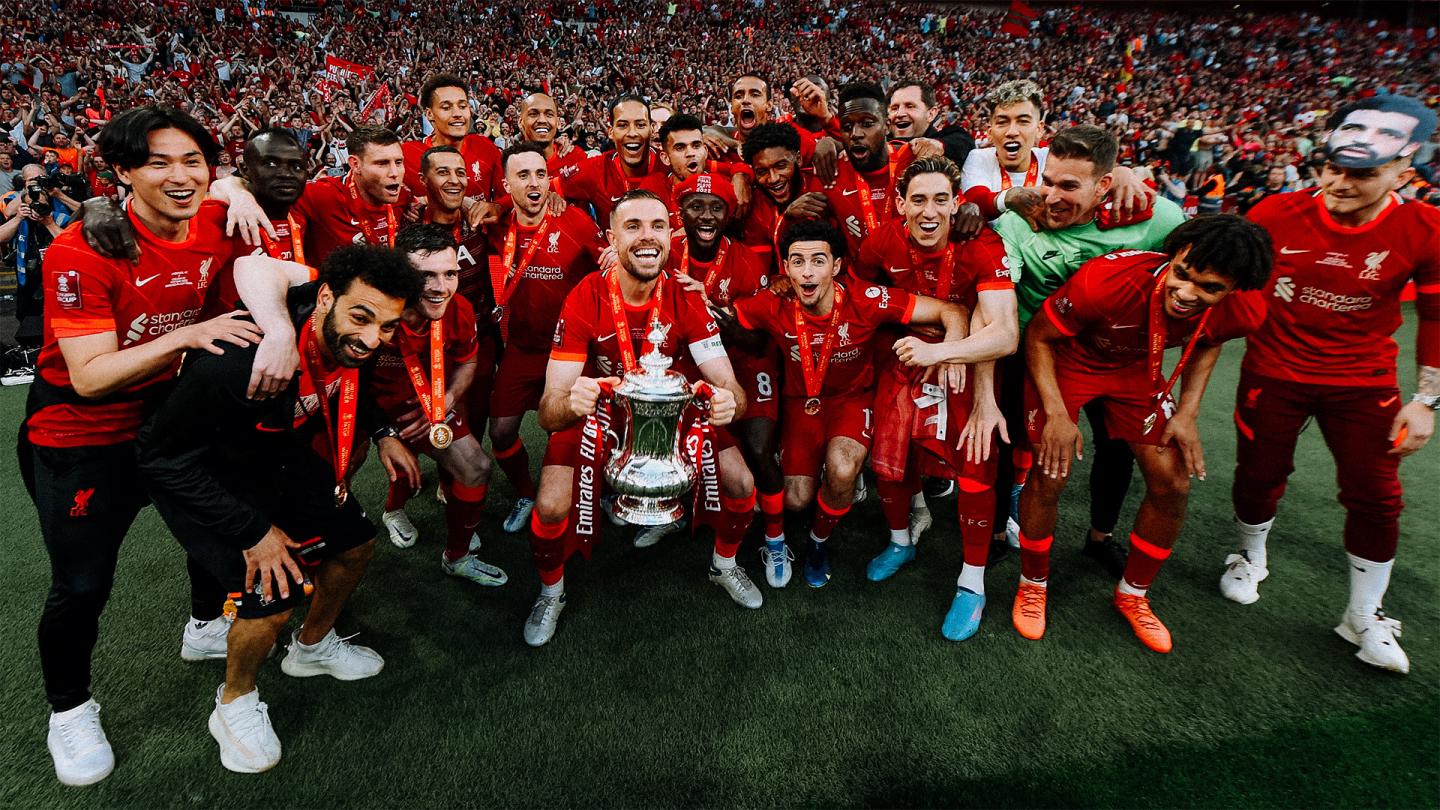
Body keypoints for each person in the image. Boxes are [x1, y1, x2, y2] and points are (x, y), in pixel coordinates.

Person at [18, 105, 292, 786]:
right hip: (80, 438)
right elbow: (89, 377)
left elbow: (280, 269)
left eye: (193, 161)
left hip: (170, 426)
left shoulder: (218, 215)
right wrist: (183, 337)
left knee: (221, 542)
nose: (180, 176)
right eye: (158, 162)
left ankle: (206, 628)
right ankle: (70, 709)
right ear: (121, 172)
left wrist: (231, 193)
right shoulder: (82, 247)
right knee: (81, 586)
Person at [136, 245, 423, 773]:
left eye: (386, 327)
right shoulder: (239, 362)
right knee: (273, 591)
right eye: (362, 318)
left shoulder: (349, 337)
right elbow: (161, 461)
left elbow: (351, 378)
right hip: (198, 476)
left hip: (274, 458)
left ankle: (311, 647)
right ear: (325, 298)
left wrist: (382, 431)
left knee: (356, 543)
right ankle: (234, 701)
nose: (371, 338)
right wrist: (252, 530)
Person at [1220, 98, 1439, 675]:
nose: (1340, 182)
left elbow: (1438, 318)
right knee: (1260, 474)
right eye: (1332, 167)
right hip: (1273, 370)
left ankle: (1364, 614)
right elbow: (1222, 267)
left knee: (1377, 495)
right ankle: (1249, 554)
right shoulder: (1277, 211)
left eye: (1361, 173)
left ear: (1403, 172)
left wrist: (1425, 400)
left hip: (1362, 381)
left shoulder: (1425, 228)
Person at [1015, 215, 1271, 652]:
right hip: (1069, 363)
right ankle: (1032, 584)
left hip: (1137, 372)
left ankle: (1133, 595)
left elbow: (1209, 341)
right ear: (1173, 258)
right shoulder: (1107, 280)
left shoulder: (1246, 308)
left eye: (1209, 289)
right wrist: (1056, 414)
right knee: (1051, 470)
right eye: (1182, 274)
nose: (1187, 292)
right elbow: (1039, 337)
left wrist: (1187, 413)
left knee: (1173, 482)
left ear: (1234, 289)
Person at [524, 190, 761, 646]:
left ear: (671, 236)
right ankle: (551, 591)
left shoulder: (684, 295)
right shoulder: (585, 295)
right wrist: (572, 401)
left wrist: (730, 401)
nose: (646, 237)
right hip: (602, 415)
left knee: (741, 483)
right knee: (551, 505)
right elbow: (548, 412)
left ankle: (724, 565)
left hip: (670, 415)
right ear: (612, 238)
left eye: (656, 226)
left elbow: (731, 388)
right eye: (632, 227)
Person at [719, 219, 969, 588]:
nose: (807, 272)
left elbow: (952, 311)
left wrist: (952, 352)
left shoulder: (867, 299)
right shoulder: (773, 302)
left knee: (842, 469)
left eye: (818, 261)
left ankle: (819, 543)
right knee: (796, 501)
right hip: (800, 406)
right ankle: (809, 499)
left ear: (836, 266)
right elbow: (723, 317)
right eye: (797, 262)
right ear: (785, 268)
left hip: (851, 403)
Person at [990, 125, 1186, 573]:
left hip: (1116, 354)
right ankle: (1000, 532)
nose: (1052, 196)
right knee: (1016, 444)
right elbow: (999, 284)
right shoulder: (1023, 219)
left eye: (1069, 186)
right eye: (1048, 180)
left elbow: (1194, 266)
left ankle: (1101, 538)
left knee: (1116, 448)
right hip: (1036, 347)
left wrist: (1133, 176)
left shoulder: (1157, 218)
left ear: (1103, 186)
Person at [851, 156, 1018, 640]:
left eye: (940, 199)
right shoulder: (881, 240)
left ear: (956, 202)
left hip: (967, 363)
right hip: (905, 356)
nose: (929, 212)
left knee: (976, 465)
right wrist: (926, 332)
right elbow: (865, 295)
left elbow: (1005, 333)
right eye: (918, 199)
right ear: (900, 203)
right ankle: (901, 540)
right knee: (893, 459)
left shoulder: (982, 244)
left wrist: (945, 349)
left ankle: (972, 582)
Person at [370, 225, 506, 586]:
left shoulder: (456, 308)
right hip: (366, 409)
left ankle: (457, 555)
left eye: (450, 274)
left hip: (426, 404)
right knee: (342, 472)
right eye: (425, 275)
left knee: (476, 467)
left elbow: (468, 361)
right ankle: (392, 510)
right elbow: (345, 379)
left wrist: (444, 401)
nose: (440, 287)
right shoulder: (369, 308)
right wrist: (384, 431)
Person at [485, 142, 603, 534]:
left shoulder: (574, 222)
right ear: (506, 185)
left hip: (567, 351)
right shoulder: (495, 222)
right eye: (523, 175)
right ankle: (524, 492)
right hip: (520, 349)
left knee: (571, 430)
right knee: (500, 432)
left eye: (540, 174)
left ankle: (591, 492)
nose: (534, 183)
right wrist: (495, 205)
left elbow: (607, 265)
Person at [663, 172, 777, 556]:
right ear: (681, 212)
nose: (707, 216)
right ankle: (677, 507)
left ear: (729, 214)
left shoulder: (746, 261)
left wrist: (706, 306)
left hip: (746, 359)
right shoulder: (663, 251)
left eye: (717, 208)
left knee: (759, 448)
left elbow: (760, 338)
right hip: (689, 361)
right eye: (696, 207)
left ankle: (774, 534)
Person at [557, 94, 665, 225]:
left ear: (652, 129)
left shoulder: (670, 165)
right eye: (622, 125)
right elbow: (548, 188)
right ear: (611, 132)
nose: (632, 133)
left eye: (640, 125)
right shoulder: (596, 168)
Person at [402, 73, 504, 202]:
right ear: (429, 114)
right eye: (446, 107)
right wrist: (408, 206)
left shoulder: (485, 147)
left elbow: (507, 197)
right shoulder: (407, 155)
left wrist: (498, 207)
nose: (457, 114)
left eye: (462, 106)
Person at [886, 80, 975, 167]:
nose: (900, 114)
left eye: (910, 106)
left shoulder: (947, 139)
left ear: (931, 114)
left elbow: (962, 142)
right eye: (894, 108)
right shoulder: (878, 145)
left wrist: (940, 146)